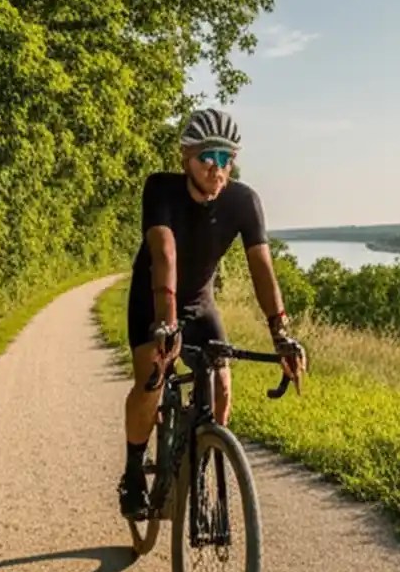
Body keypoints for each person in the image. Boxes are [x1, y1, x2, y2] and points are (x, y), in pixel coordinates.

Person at [118, 107, 307, 520]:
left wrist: (282, 334)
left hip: (200, 302)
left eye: (227, 158)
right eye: (209, 156)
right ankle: (134, 471)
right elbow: (164, 253)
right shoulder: (161, 190)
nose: (218, 168)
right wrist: (166, 324)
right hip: (153, 299)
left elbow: (262, 266)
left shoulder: (243, 200)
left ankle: (200, 463)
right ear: (185, 156)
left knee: (222, 384)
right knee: (151, 380)